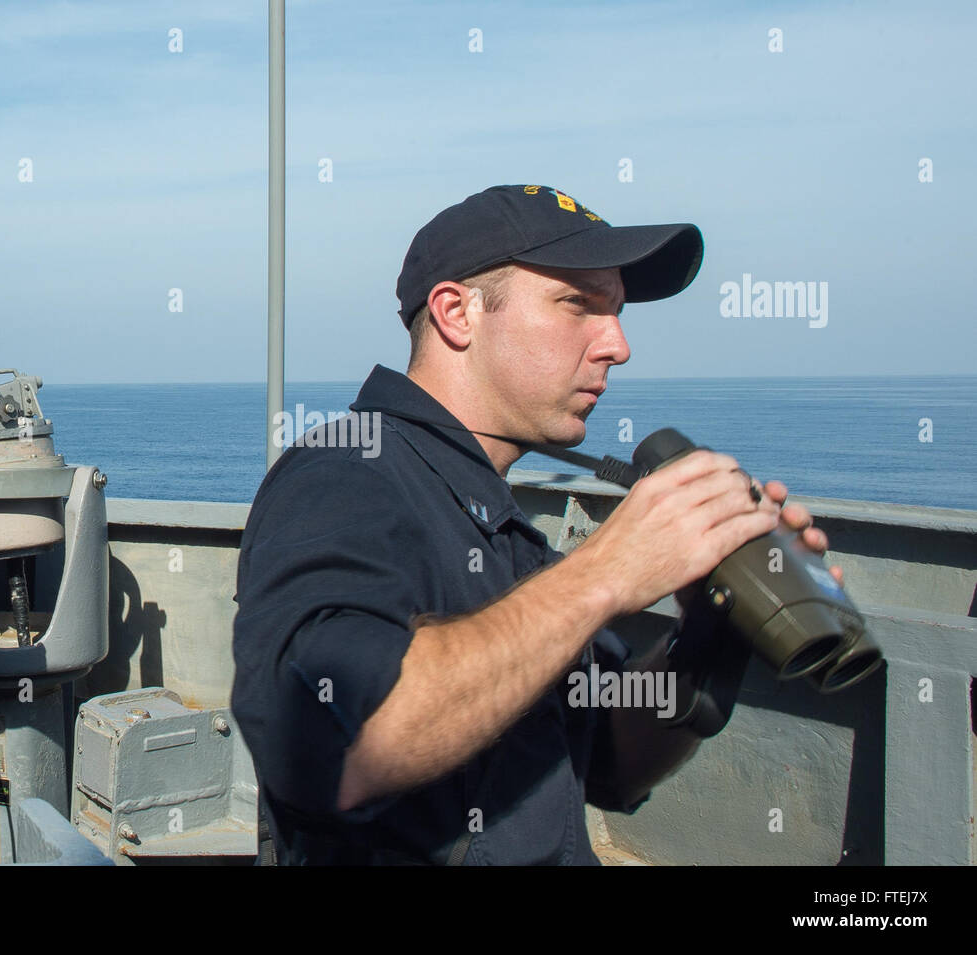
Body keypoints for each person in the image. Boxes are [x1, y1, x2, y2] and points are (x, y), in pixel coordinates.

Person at [231, 184, 845, 865]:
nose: (618, 345)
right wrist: (605, 573)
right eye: (580, 303)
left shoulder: (496, 521)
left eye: (617, 311)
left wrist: (712, 631)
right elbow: (329, 749)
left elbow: (609, 764)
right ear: (457, 312)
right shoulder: (344, 474)